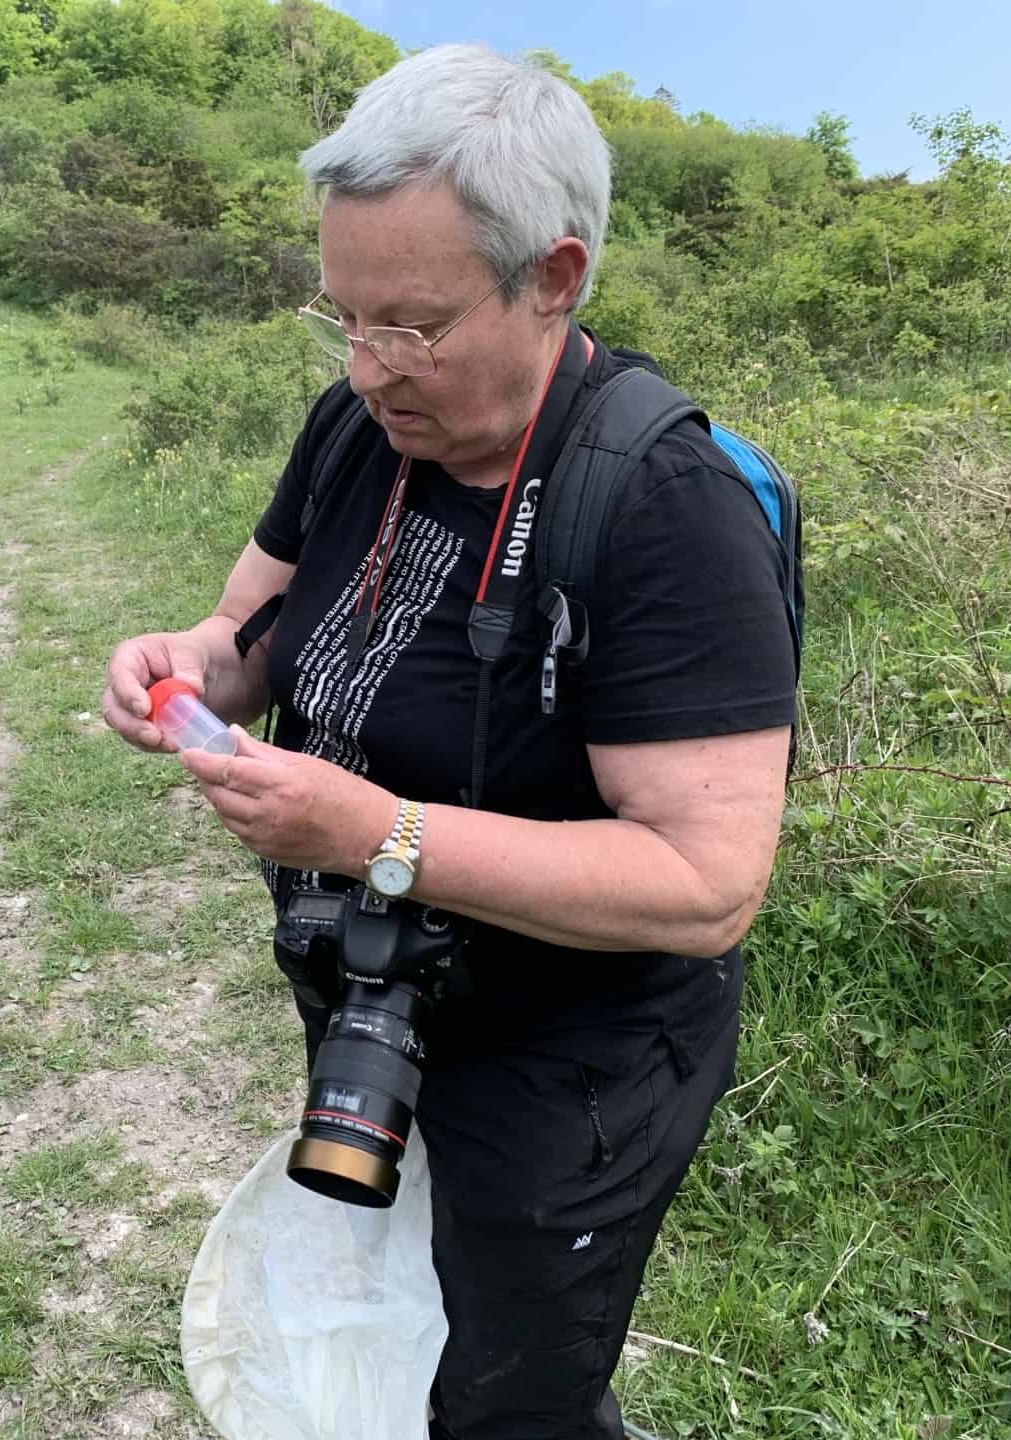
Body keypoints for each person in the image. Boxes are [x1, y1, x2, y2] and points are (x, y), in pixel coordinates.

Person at [101, 42, 798, 1440]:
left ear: (556, 276)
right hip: (380, 993)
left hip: (573, 1058)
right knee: (413, 1305)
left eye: (412, 326)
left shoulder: (666, 508)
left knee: (513, 1385)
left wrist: (374, 838)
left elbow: (709, 884)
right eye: (342, 317)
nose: (369, 369)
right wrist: (186, 669)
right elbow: (254, 631)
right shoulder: (358, 428)